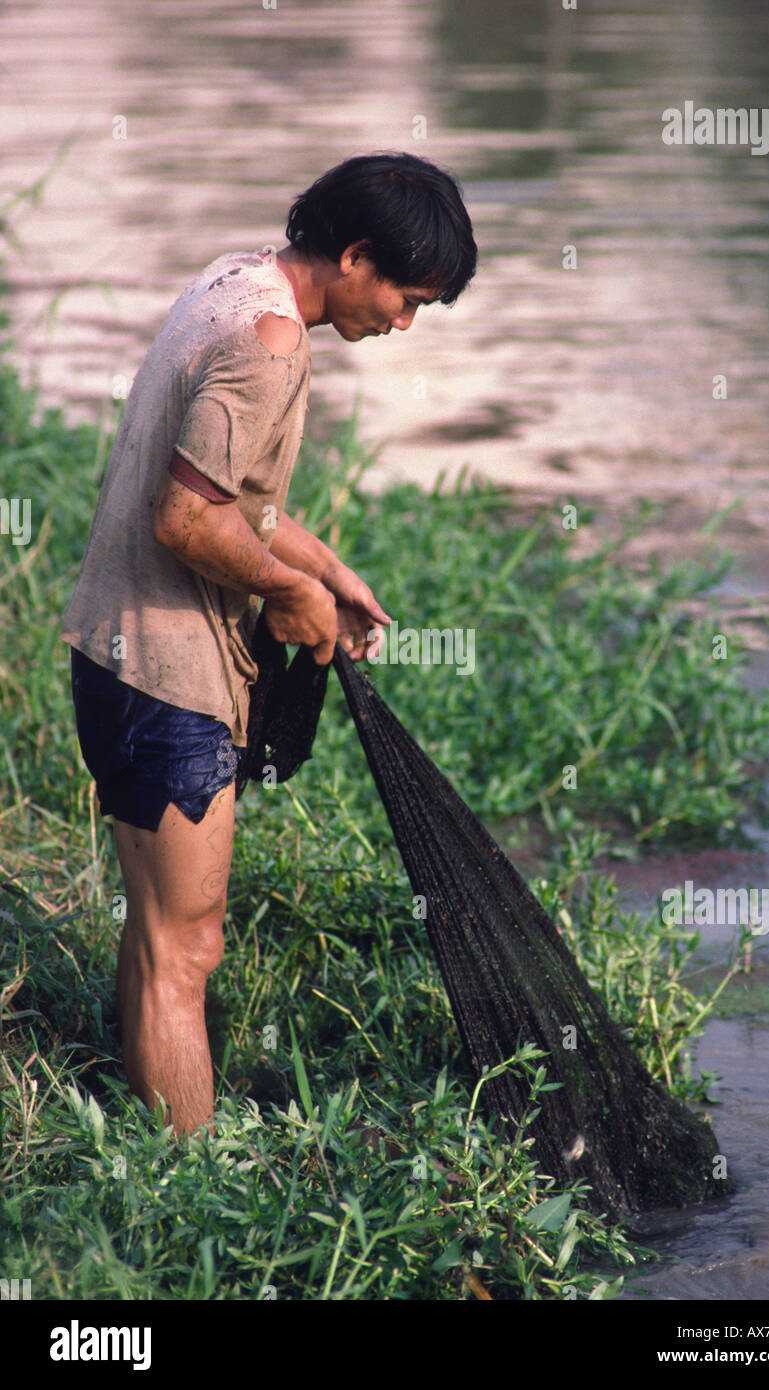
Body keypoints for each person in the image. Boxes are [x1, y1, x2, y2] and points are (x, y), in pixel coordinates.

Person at [60, 151, 477, 1136]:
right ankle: (190, 1193)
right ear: (355, 254)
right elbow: (184, 520)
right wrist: (289, 592)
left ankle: (140, 1135)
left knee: (156, 929)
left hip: (113, 653)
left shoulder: (229, 281)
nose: (403, 324)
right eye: (405, 298)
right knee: (188, 946)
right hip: (166, 677)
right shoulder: (270, 340)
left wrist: (325, 570)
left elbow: (237, 497)